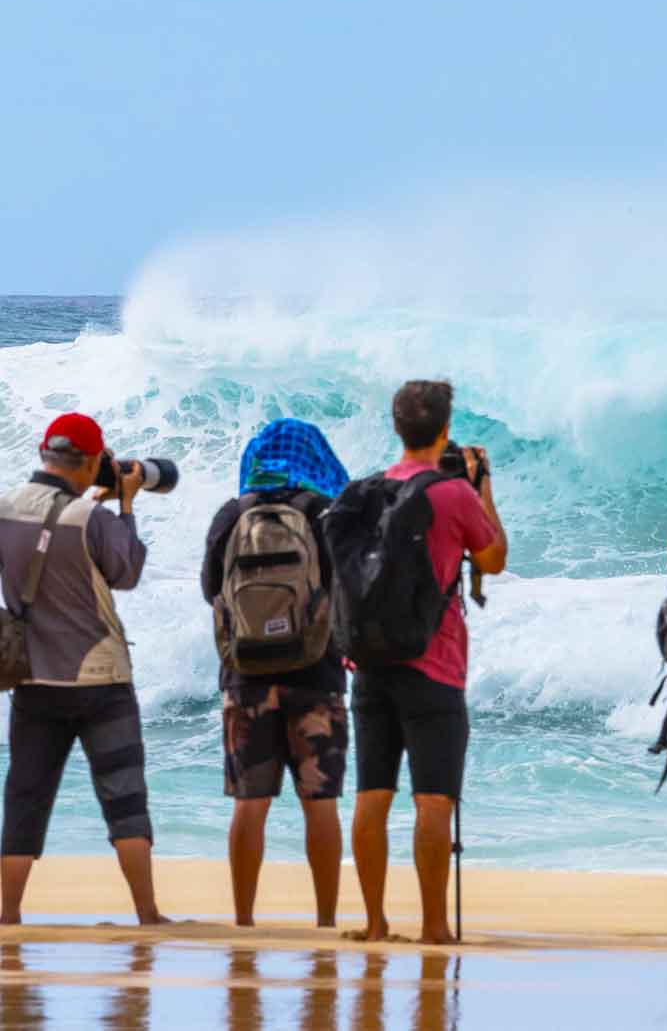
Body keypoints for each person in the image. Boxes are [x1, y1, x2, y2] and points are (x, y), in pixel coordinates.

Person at [348, 380, 506, 944]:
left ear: (397, 429)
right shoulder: (452, 494)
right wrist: (482, 485)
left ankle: (373, 922)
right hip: (434, 664)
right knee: (432, 798)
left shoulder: (365, 492)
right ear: (444, 430)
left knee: (372, 794)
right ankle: (435, 926)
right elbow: (493, 555)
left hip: (368, 663)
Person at [0, 413, 167, 925]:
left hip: (33, 677)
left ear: (42, 452)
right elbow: (127, 571)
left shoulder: (5, 508)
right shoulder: (91, 518)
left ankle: (8, 914)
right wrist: (127, 504)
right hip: (102, 680)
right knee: (125, 796)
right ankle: (147, 912)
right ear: (94, 462)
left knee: (25, 796)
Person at [200, 418, 351, 928]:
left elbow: (209, 589)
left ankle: (243, 920)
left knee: (249, 803)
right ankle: (326, 919)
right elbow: (343, 592)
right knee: (320, 803)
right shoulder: (325, 511)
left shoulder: (231, 514)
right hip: (317, 676)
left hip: (245, 680)